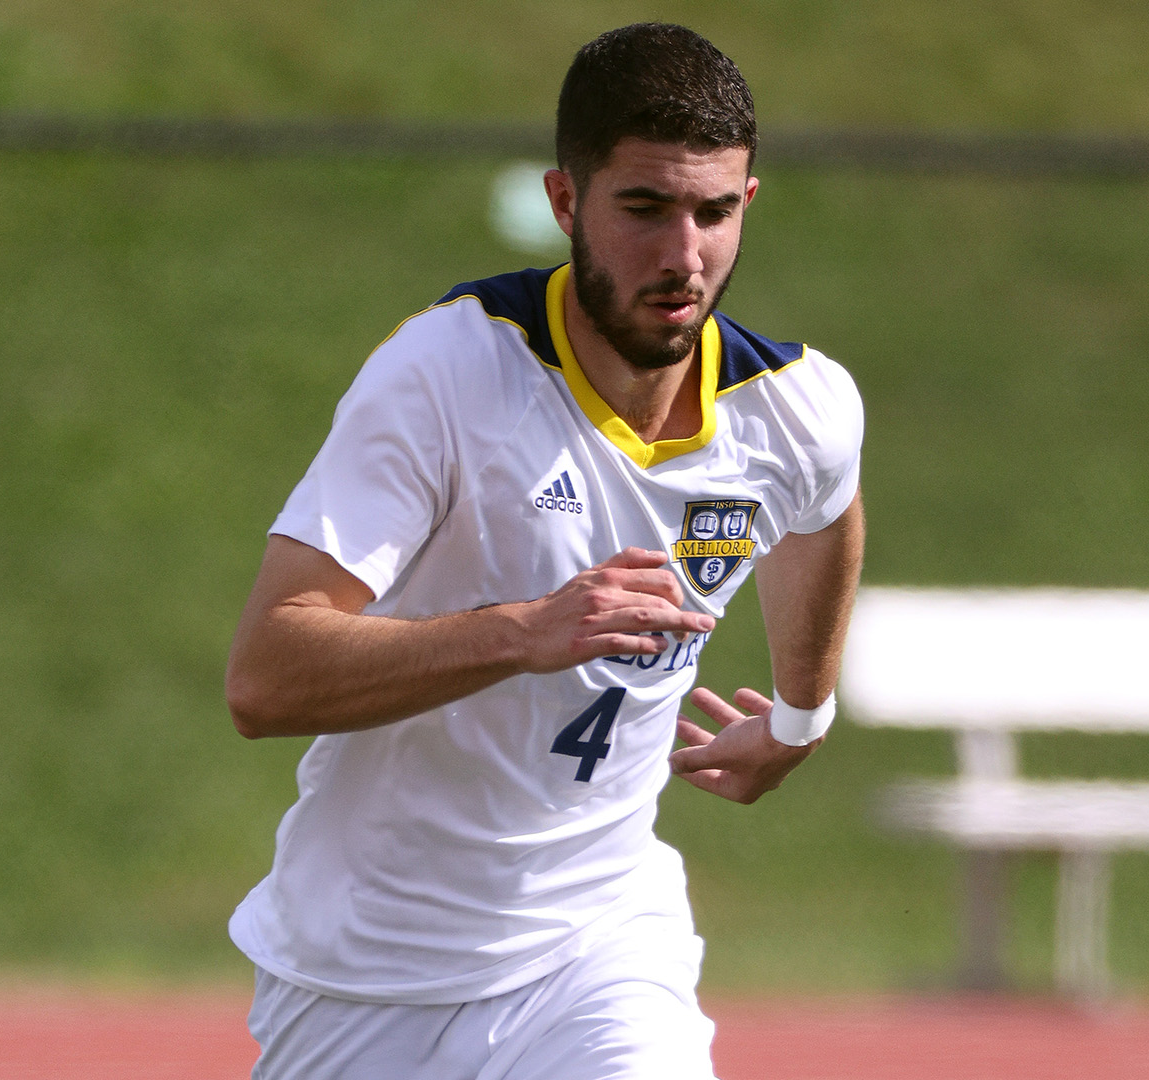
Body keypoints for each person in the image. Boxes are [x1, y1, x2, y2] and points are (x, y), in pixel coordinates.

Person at [224, 22, 864, 1080]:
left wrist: (802, 713)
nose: (683, 255)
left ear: (747, 205)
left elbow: (826, 512)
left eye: (712, 213)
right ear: (566, 202)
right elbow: (267, 675)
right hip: (369, 970)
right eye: (645, 209)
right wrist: (526, 633)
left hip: (600, 950)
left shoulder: (797, 409)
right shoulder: (448, 372)